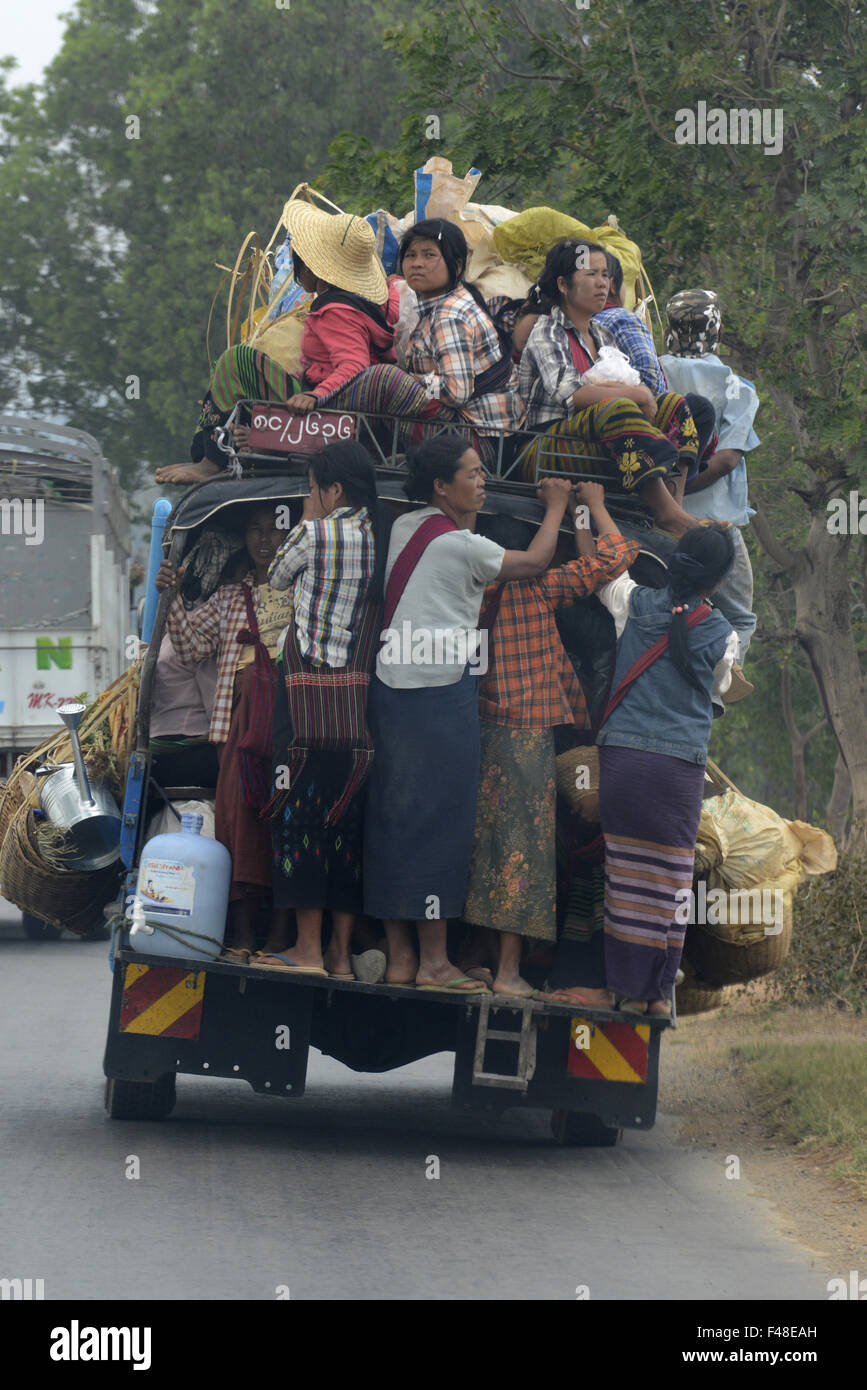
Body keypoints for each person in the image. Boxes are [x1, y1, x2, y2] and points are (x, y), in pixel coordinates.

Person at [362, 437, 574, 993]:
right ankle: (435, 963)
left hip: (390, 688)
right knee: (441, 822)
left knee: (395, 816)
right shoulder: (463, 545)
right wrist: (553, 507)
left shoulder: (408, 527)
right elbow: (535, 561)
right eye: (473, 474)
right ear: (440, 484)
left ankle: (402, 957)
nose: (482, 483)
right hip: (439, 695)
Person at [462, 482, 639, 998]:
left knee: (483, 848)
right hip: (525, 740)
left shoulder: (469, 588)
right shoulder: (538, 588)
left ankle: (473, 957)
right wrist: (588, 507)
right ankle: (510, 973)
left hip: (477, 734)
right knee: (523, 854)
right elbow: (620, 554)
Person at [157, 206, 441, 485]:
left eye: (299, 261)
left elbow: (354, 365)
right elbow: (388, 310)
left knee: (237, 361)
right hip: (337, 399)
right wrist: (391, 284)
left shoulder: (336, 311)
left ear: (314, 268)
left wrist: (316, 396)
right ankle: (227, 450)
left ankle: (211, 461)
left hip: (332, 406)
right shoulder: (366, 305)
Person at [253, 442, 392, 979]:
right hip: (358, 706)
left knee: (301, 818)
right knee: (346, 824)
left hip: (306, 701)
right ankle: (339, 951)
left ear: (332, 490)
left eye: (315, 487)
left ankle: (307, 951)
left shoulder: (314, 533)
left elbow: (277, 578)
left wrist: (311, 516)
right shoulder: (383, 539)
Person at [594, 523, 738, 1015]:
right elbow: (722, 688)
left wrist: (584, 512)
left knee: (626, 879)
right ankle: (657, 995)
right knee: (670, 883)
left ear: (676, 562)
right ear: (716, 583)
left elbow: (600, 568)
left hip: (623, 762)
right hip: (678, 771)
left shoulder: (634, 603)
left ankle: (629, 991)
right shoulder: (723, 634)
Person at [155, 503, 296, 962]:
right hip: (236, 725)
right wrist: (173, 597)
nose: (264, 540)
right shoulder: (229, 596)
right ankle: (241, 933)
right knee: (237, 826)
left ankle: (280, 935)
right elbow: (192, 648)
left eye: (273, 531)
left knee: (287, 824)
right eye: (254, 531)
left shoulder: (307, 592)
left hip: (294, 721)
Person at [516, 239, 704, 534]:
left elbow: (633, 383)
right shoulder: (546, 330)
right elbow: (573, 395)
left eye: (605, 275)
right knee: (617, 407)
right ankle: (665, 511)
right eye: (591, 274)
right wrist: (635, 394)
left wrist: (640, 395)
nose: (603, 284)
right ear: (564, 285)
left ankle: (673, 506)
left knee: (675, 404)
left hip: (596, 434)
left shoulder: (602, 333)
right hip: (548, 444)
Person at [660, 288, 760, 665]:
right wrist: (684, 494)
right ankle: (721, 685)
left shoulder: (652, 370)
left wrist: (667, 498)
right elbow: (725, 462)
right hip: (715, 524)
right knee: (739, 616)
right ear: (716, 331)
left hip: (652, 514)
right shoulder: (736, 386)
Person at [398, 218, 525, 465]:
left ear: (456, 267)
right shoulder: (442, 305)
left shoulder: (449, 314)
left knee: (385, 381)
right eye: (410, 255)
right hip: (485, 435)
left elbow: (456, 392)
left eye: (429, 255)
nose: (417, 264)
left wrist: (411, 382)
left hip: (482, 442)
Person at [149, 631, 219, 789]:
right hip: (190, 755)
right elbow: (215, 708)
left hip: (159, 756)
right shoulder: (198, 638)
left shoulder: (165, 640)